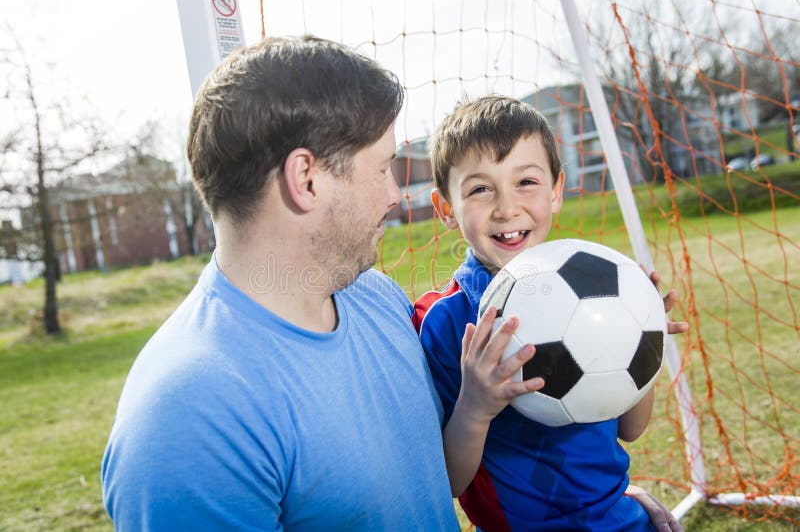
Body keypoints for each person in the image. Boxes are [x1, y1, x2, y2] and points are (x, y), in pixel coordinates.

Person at [101, 36, 681, 531]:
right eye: (381, 168)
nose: (393, 196)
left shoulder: (376, 302)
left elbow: (444, 476)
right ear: (306, 177)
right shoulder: (187, 422)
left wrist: (599, 508)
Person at [412, 95, 688, 531]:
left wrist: (642, 341)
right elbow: (446, 480)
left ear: (556, 189)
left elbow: (630, 430)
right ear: (446, 208)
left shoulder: (603, 285)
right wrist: (475, 406)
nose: (507, 208)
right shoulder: (443, 320)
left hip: (621, 522)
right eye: (481, 189)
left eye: (526, 182)